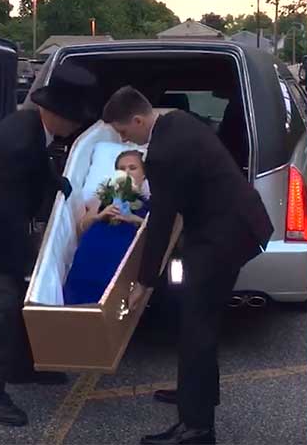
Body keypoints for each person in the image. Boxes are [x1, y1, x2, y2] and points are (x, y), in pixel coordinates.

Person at [103, 86, 272, 445]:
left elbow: (162, 222)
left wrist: (144, 283)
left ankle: (197, 427)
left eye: (123, 131)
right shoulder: (178, 121)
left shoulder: (163, 152)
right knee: (193, 317)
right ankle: (193, 393)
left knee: (198, 327)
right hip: (236, 223)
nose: (123, 139)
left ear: (137, 119)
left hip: (223, 237)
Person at [0, 63, 95, 428]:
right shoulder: (18, 141)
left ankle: (22, 367)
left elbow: (39, 164)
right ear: (57, 115)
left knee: (25, 295)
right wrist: (29, 264)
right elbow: (10, 214)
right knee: (8, 303)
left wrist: (58, 185)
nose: (77, 128)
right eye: (75, 121)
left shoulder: (31, 125)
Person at [62, 149, 150, 305]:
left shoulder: (150, 204)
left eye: (132, 168)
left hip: (119, 257)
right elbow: (81, 229)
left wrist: (133, 219)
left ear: (143, 175)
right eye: (121, 169)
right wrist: (99, 216)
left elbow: (154, 232)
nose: (127, 172)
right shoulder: (102, 199)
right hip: (91, 253)